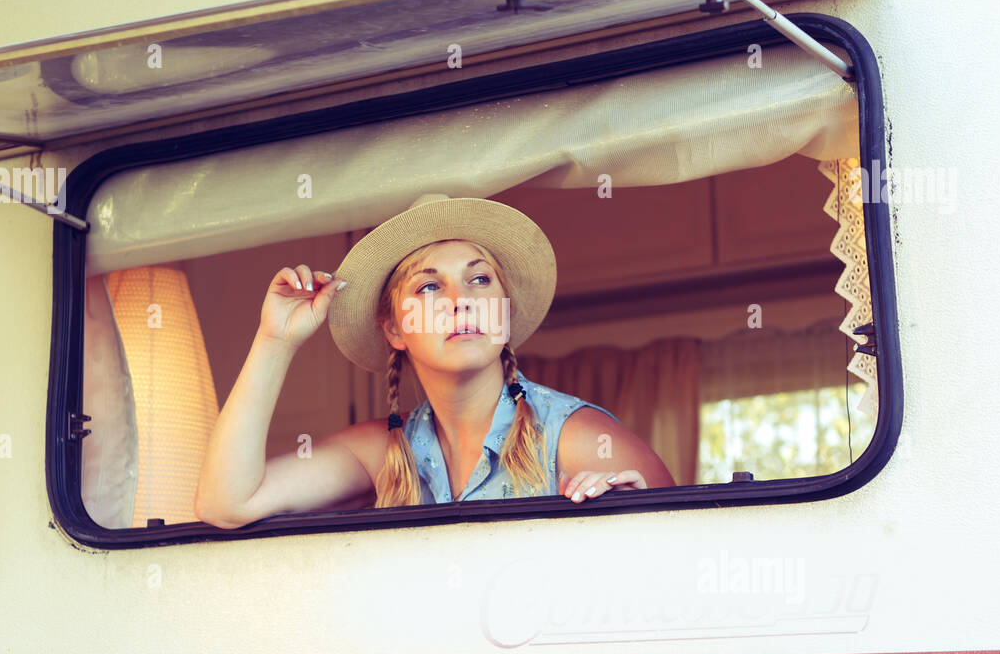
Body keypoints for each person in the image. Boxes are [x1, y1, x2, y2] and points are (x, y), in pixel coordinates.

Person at [195, 193, 675, 528]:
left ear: (502, 313)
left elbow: (677, 567)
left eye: (480, 280)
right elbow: (227, 503)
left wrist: (628, 521)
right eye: (429, 286)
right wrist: (275, 340)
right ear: (395, 329)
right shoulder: (383, 451)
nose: (459, 300)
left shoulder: (579, 438)